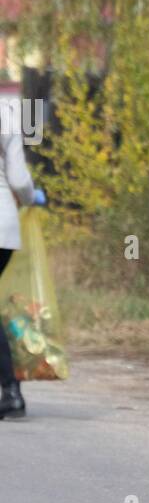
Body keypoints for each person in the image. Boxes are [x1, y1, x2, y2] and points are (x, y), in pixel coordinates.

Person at [0, 91, 47, 420]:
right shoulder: (7, 113)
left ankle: (11, 391)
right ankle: (11, 392)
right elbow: (18, 178)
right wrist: (31, 197)